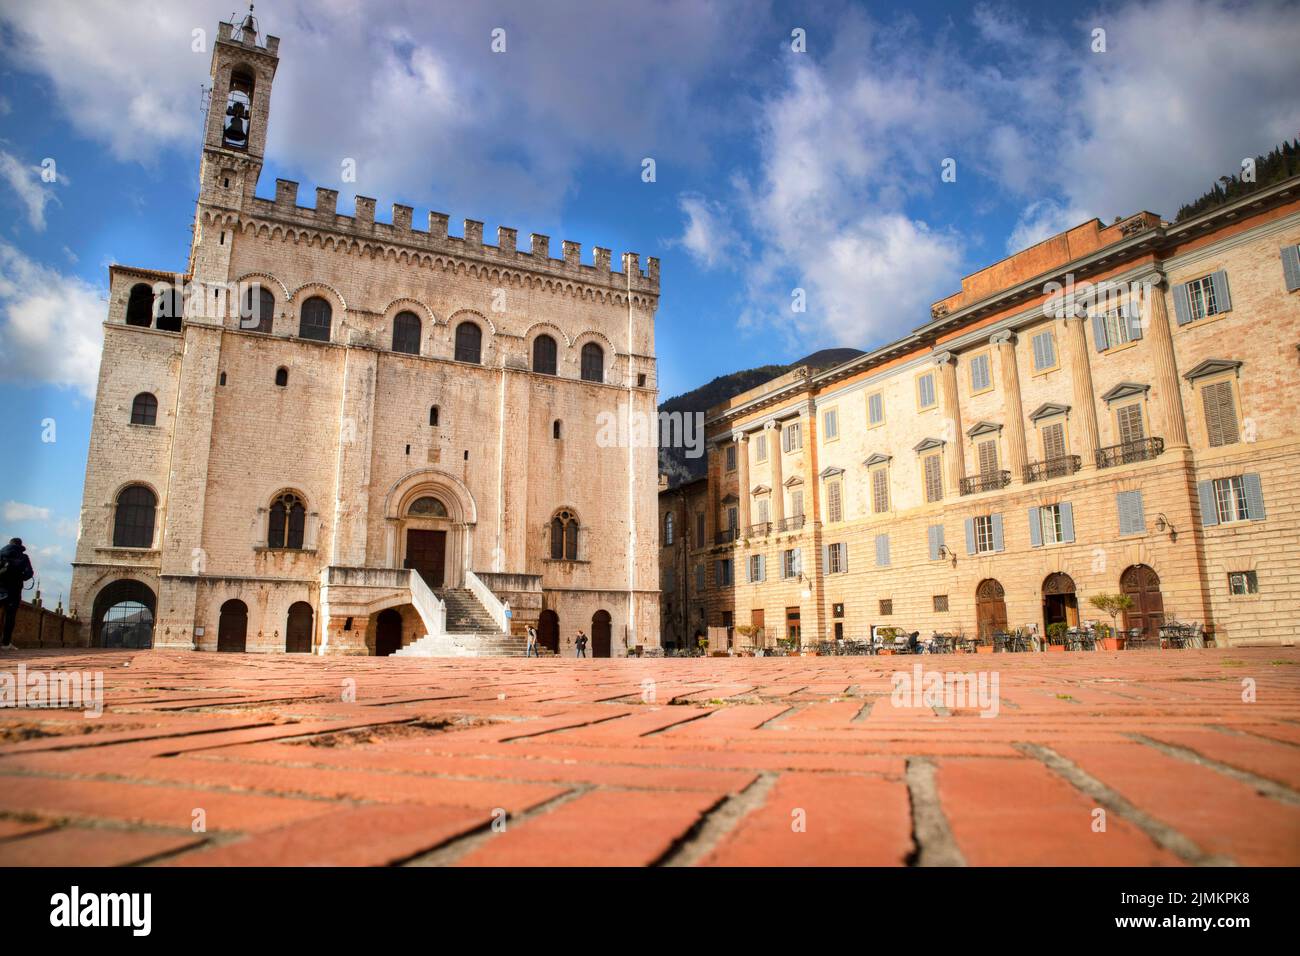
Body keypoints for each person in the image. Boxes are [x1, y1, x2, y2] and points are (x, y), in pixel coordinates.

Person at [0, 538, 34, 651]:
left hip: (0, 588)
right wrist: (21, 578)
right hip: (14, 590)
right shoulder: (23, 557)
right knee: (10, 617)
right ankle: (6, 643)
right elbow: (30, 573)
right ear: (20, 545)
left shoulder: (1, 553)